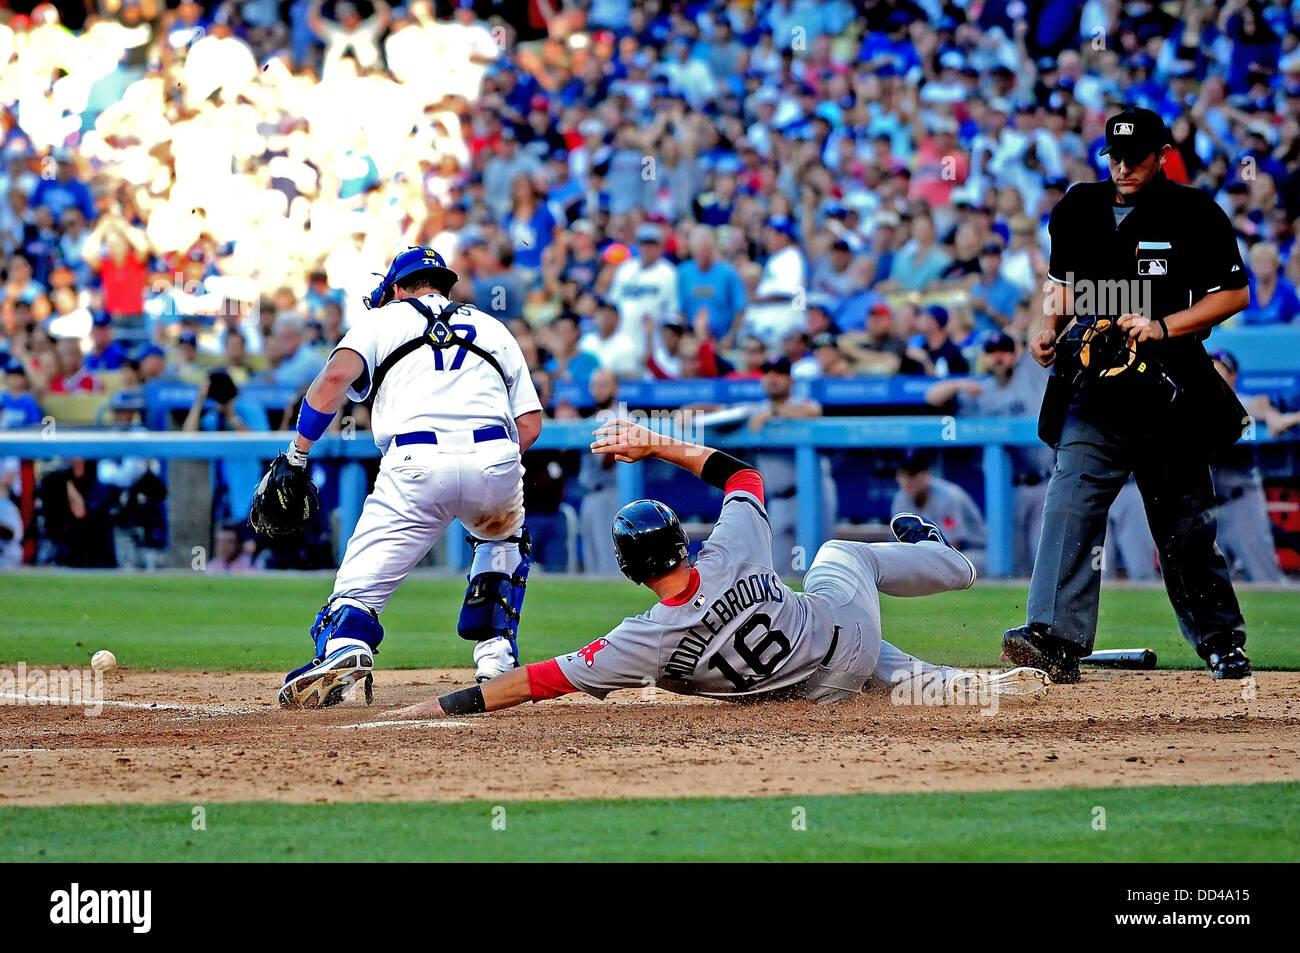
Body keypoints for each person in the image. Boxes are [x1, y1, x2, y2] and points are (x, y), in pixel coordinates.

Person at [390, 419, 1048, 721]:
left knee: (843, 626)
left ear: (628, 569)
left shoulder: (636, 642)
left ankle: (958, 682)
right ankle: (954, 564)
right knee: (840, 555)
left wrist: (436, 706)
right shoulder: (730, 546)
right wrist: (654, 443)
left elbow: (532, 681)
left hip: (812, 693)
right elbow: (740, 473)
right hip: (840, 639)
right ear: (683, 538)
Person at [1006, 107, 1255, 683]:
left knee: (1184, 526)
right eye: (1113, 155)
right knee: (1069, 504)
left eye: (1135, 155)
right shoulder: (1076, 206)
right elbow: (1059, 286)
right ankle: (1054, 637)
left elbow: (1235, 293)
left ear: (1162, 152)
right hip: (1090, 387)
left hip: (1168, 391)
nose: (1121, 165)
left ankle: (1220, 640)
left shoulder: (1194, 211)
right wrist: (1042, 331)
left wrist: (1165, 326)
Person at [260, 247, 543, 709]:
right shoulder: (495, 327)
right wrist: (483, 463)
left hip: (416, 460)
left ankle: (346, 646)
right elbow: (529, 425)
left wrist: (297, 455)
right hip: (496, 455)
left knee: (358, 591)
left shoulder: (383, 319)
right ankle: (495, 656)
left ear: (394, 288)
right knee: (501, 544)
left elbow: (332, 382)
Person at [925, 333, 1050, 576]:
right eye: (992, 352)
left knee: (1042, 561)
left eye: (1004, 351)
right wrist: (960, 384)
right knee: (1011, 566)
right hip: (1006, 490)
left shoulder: (1031, 376)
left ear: (1014, 354)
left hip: (1042, 482)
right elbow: (932, 397)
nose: (998, 357)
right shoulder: (980, 390)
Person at [1208, 351, 1286, 584]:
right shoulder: (1189, 404)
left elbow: (1258, 406)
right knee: (1211, 587)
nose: (1215, 373)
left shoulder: (1238, 401)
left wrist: (1271, 414)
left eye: (1222, 369)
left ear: (1233, 377)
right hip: (1207, 510)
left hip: (1241, 502)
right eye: (1210, 367)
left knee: (1265, 579)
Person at [891, 450, 987, 577]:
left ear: (926, 475)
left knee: (953, 566)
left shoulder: (948, 496)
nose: (907, 481)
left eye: (913, 475)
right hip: (932, 556)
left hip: (973, 551)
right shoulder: (900, 498)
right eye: (903, 475)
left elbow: (952, 547)